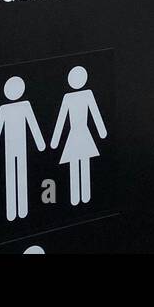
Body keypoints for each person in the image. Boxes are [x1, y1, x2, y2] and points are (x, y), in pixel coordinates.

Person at [0, 76, 46, 221]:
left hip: (19, 148)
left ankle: (21, 209)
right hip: (11, 149)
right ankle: (13, 211)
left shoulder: (24, 106)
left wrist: (41, 143)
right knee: (12, 176)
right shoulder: (5, 109)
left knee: (19, 175)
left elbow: (33, 125)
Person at [49, 66, 107, 207]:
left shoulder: (86, 95)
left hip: (82, 134)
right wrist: (55, 140)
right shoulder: (69, 98)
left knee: (82, 164)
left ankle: (83, 196)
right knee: (76, 164)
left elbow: (95, 114)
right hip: (75, 135)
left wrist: (101, 131)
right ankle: (77, 197)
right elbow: (62, 119)